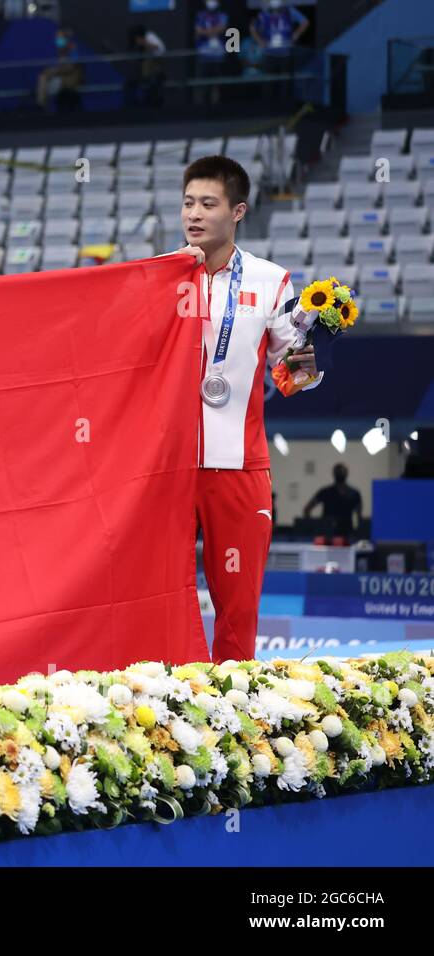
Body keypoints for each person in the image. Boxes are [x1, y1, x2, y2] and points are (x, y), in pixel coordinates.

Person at [173, 155, 323, 664]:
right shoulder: (160, 277)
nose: (194, 213)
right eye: (188, 202)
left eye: (208, 203)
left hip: (238, 466)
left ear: (237, 211)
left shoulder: (272, 281)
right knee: (157, 598)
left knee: (238, 607)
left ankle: (228, 715)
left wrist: (305, 364)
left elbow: (288, 376)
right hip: (166, 468)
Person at [250, 0, 308, 98]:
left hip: (285, 53)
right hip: (269, 53)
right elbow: (252, 28)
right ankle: (268, 106)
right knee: (268, 83)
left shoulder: (289, 11)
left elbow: (305, 22)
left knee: (285, 83)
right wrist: (260, 41)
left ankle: (285, 106)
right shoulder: (263, 13)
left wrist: (296, 34)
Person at [303, 464, 363, 539]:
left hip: (346, 533)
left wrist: (358, 532)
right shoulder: (325, 492)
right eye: (339, 472)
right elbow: (307, 509)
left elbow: (359, 515)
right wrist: (313, 527)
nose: (340, 474)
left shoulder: (354, 493)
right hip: (328, 533)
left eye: (342, 472)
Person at [36, 27, 83, 112]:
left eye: (60, 38)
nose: (57, 40)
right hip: (60, 78)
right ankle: (41, 105)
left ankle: (42, 105)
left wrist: (54, 71)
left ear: (65, 38)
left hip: (70, 80)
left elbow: (71, 67)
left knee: (46, 82)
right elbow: (60, 66)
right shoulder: (60, 51)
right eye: (57, 38)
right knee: (43, 77)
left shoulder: (73, 50)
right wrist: (52, 71)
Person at [193, 0, 229, 105]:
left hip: (218, 54)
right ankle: (201, 108)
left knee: (217, 85)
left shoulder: (222, 15)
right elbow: (198, 30)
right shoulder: (200, 15)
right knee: (203, 84)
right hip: (204, 54)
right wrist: (212, 31)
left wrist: (205, 32)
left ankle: (216, 108)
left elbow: (222, 28)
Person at [127, 25, 167, 107]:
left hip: (156, 66)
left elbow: (158, 49)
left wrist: (144, 43)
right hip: (147, 71)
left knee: (153, 87)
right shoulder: (144, 40)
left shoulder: (149, 37)